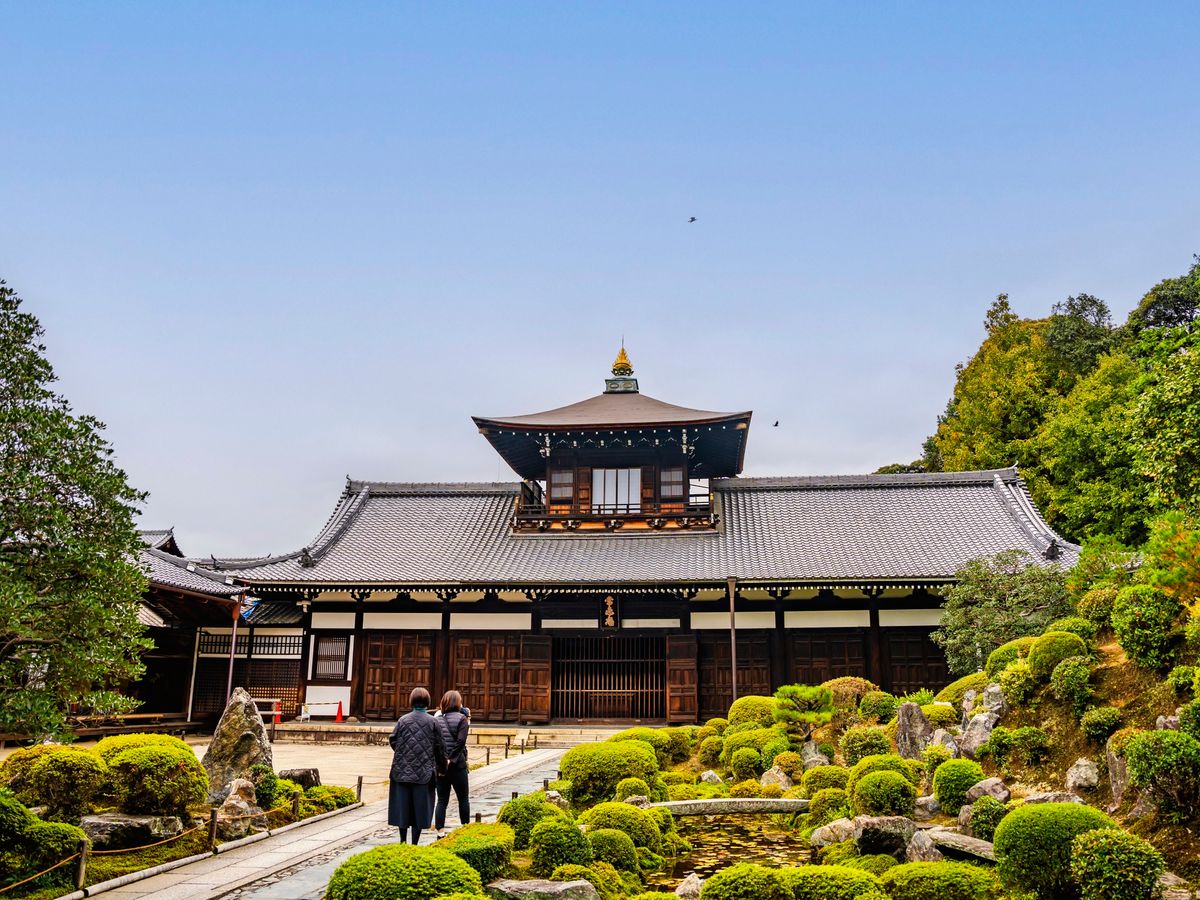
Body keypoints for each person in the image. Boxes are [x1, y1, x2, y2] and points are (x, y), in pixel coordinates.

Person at [388, 687, 446, 844]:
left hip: (401, 771)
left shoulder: (403, 720)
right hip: (424, 771)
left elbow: (393, 739)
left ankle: (402, 840)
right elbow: (440, 747)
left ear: (411, 701)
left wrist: (404, 752)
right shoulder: (433, 721)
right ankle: (414, 842)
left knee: (403, 807)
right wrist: (442, 769)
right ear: (427, 702)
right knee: (419, 809)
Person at [433, 690, 472, 837]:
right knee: (463, 798)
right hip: (458, 765)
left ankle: (440, 832)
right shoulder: (462, 719)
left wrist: (442, 760)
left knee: (442, 800)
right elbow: (461, 741)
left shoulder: (437, 720)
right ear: (458, 703)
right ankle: (465, 829)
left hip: (441, 766)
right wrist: (452, 758)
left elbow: (435, 743)